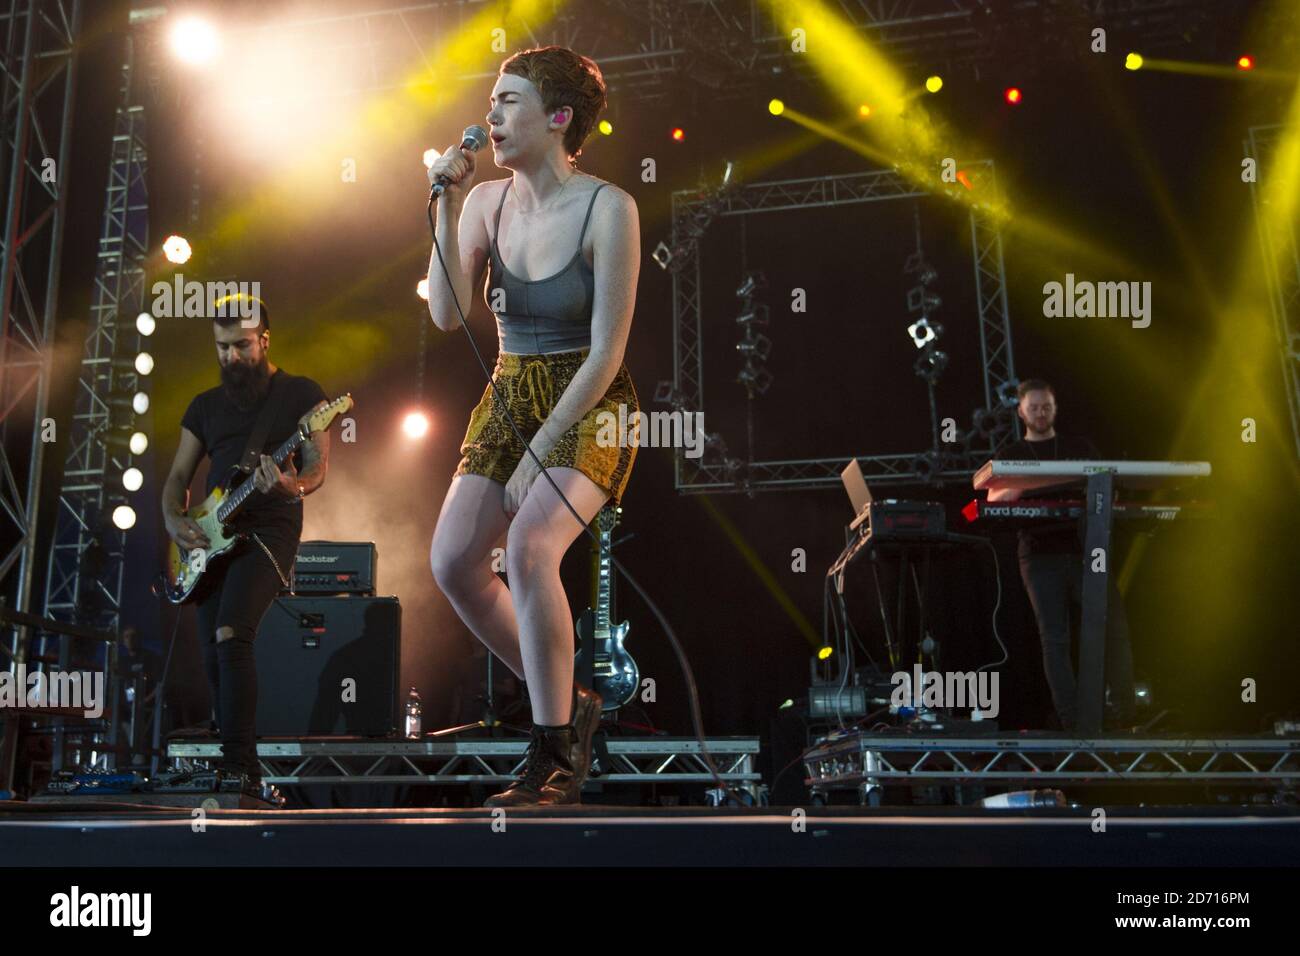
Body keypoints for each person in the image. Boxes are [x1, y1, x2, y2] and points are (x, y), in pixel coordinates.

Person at [425, 46, 640, 806]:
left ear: (559, 118)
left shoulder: (609, 207)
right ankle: (570, 699)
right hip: (511, 393)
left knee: (527, 544)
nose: (491, 116)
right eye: (491, 101)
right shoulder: (485, 201)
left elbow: (607, 354)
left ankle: (554, 757)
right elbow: (447, 315)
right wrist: (447, 204)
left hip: (591, 402)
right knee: (453, 561)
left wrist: (540, 454)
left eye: (509, 101)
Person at [161, 295, 330, 794]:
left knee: (233, 633)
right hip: (211, 536)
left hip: (270, 527)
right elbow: (176, 476)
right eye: (221, 348)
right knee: (213, 655)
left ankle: (241, 769)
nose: (231, 358)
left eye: (241, 346)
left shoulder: (301, 395)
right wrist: (173, 518)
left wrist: (290, 486)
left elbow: (318, 469)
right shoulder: (204, 407)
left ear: (264, 339)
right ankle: (231, 761)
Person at [990, 379, 1136, 733]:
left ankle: (1123, 711)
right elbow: (994, 499)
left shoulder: (1079, 447)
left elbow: (1109, 486)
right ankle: (1072, 718)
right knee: (1053, 637)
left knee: (1112, 625)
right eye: (1034, 407)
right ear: (1021, 411)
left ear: (1055, 409)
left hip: (1087, 550)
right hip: (1039, 556)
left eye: (1047, 407)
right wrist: (1032, 482)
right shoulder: (1012, 454)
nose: (1041, 413)